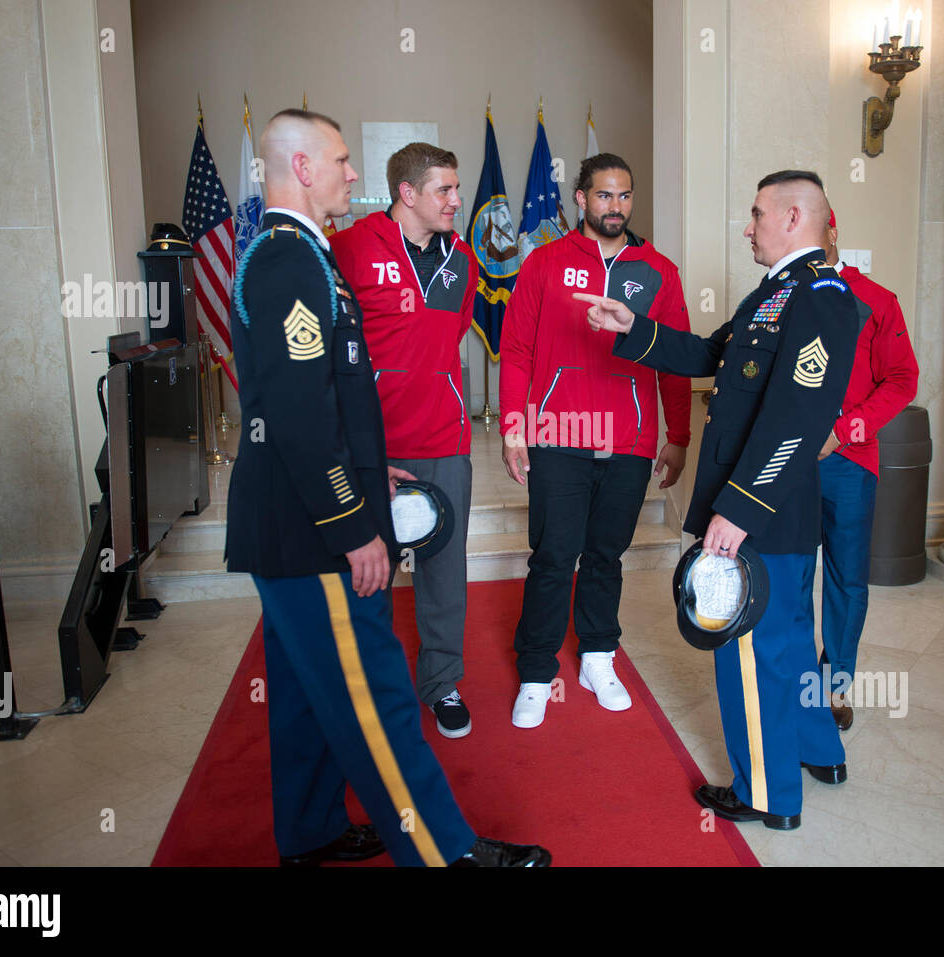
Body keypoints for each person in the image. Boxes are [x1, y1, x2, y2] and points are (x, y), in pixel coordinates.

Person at [225, 108, 548, 867]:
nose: (352, 174)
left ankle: (310, 834)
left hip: (293, 521)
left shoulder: (301, 255)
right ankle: (444, 851)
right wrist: (353, 520)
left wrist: (376, 472)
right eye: (340, 160)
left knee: (305, 695)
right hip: (312, 530)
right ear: (302, 168)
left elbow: (330, 401)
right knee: (377, 696)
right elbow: (303, 420)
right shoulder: (291, 261)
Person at [578, 170, 859, 829]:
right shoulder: (775, 293)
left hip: (760, 510)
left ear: (794, 217)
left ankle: (766, 792)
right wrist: (635, 328)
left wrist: (739, 511)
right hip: (771, 512)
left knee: (754, 653)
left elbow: (796, 418)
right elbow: (710, 352)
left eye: (757, 214)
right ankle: (822, 750)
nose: (747, 226)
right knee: (789, 634)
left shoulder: (819, 296)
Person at [498, 152, 692, 729]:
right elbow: (518, 351)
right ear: (581, 198)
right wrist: (514, 425)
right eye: (605, 195)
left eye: (625, 196)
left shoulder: (658, 270)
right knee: (555, 556)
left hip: (629, 440)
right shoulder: (544, 264)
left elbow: (676, 360)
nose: (616, 206)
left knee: (607, 555)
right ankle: (536, 671)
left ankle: (597, 656)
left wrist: (677, 436)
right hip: (558, 433)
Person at [330, 143, 478, 739]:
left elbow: (453, 333)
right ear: (407, 193)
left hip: (445, 437)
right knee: (369, 568)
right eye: (444, 190)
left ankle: (442, 682)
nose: (457, 200)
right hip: (373, 443)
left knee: (445, 569)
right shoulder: (351, 247)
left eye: (456, 188)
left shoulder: (463, 259)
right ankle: (370, 684)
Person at [814, 209, 918, 731]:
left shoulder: (878, 301)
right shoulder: (782, 298)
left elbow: (902, 380)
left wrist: (845, 430)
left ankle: (830, 688)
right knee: (784, 576)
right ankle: (784, 681)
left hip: (849, 464)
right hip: (787, 464)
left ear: (833, 231)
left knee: (845, 579)